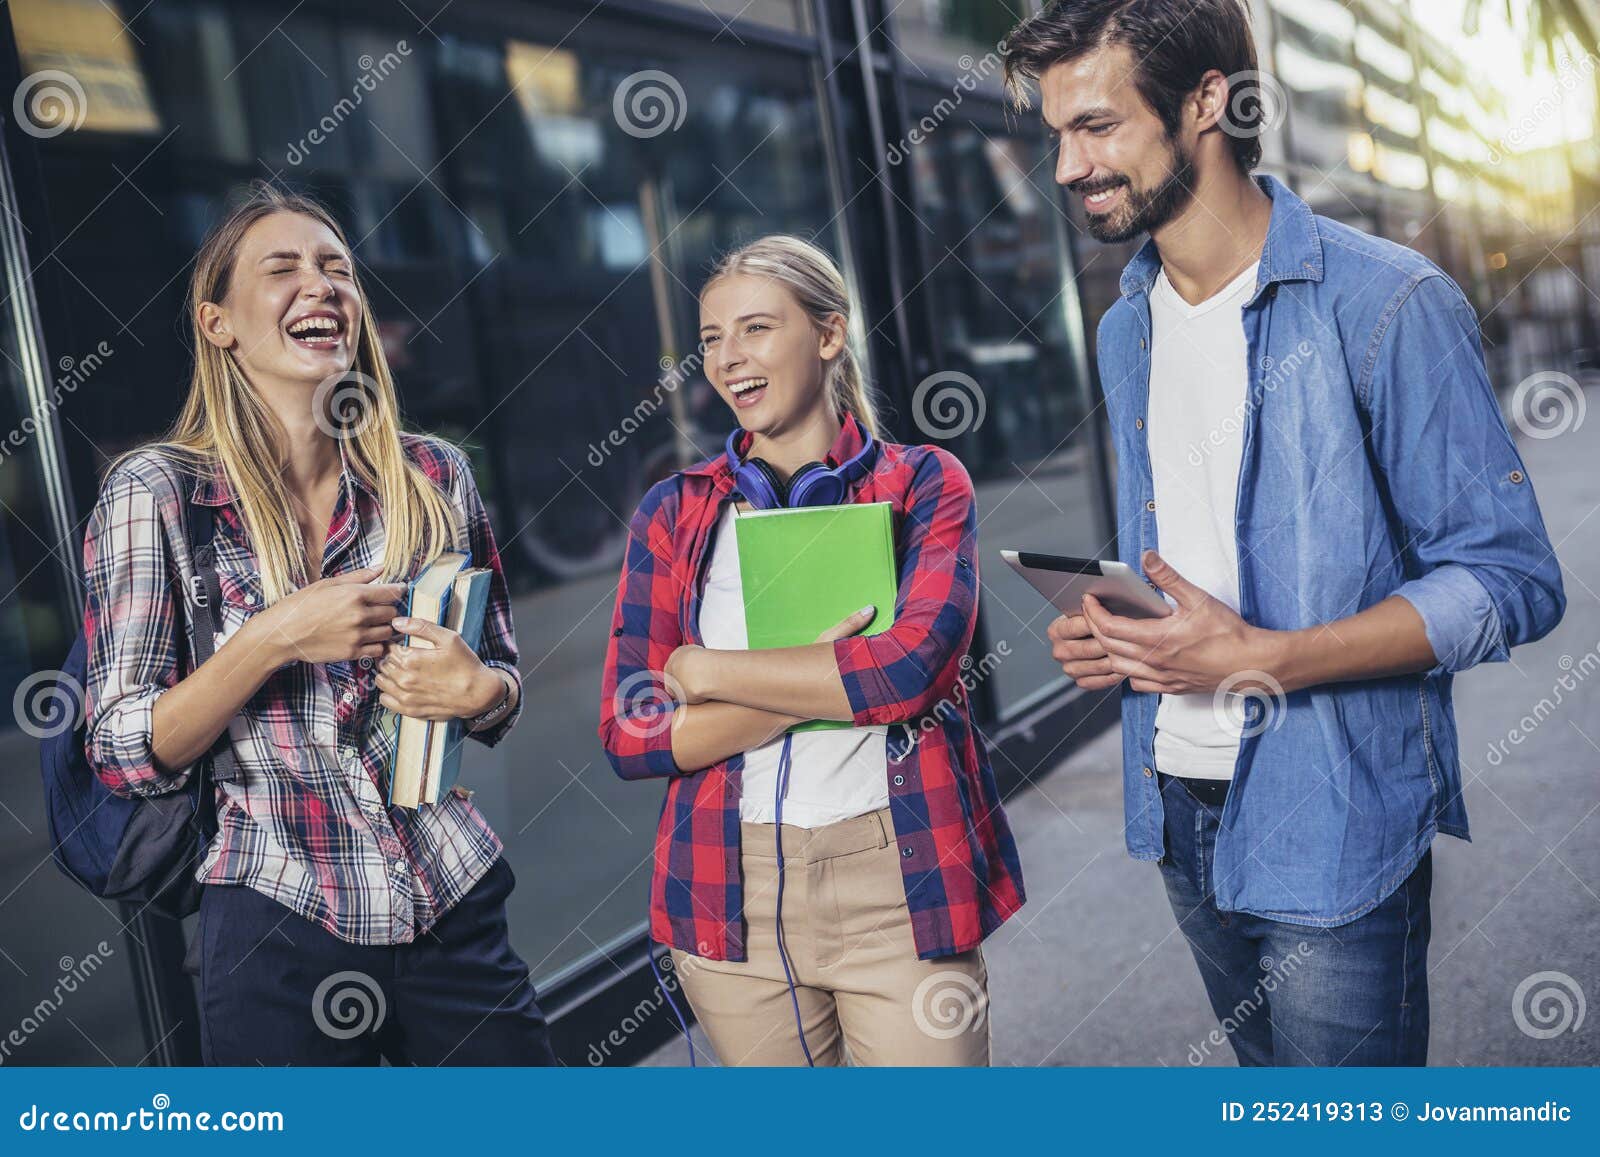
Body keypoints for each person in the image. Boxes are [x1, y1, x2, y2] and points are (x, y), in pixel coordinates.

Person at [1003, 0, 1565, 1065]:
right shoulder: (1129, 326)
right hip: (1179, 801)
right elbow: (1193, 557)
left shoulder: (1387, 304)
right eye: (1056, 136)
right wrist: (1113, 632)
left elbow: (1509, 578)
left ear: (1206, 100)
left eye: (1098, 126)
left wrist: (1271, 658)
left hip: (1335, 806)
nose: (1069, 165)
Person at [81, 183, 554, 1066]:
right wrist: (275, 635)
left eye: (338, 268)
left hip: (444, 894)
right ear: (218, 322)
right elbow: (120, 747)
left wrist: (479, 687)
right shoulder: (157, 493)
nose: (323, 285)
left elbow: (500, 684)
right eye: (284, 268)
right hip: (274, 918)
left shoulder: (432, 476)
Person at [598, 235, 1024, 1066]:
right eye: (713, 338)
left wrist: (704, 672)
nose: (728, 358)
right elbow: (632, 731)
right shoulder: (673, 512)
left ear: (829, 335)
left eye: (755, 328)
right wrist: (810, 680)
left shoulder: (926, 483)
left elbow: (907, 671)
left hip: (896, 875)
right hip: (730, 884)